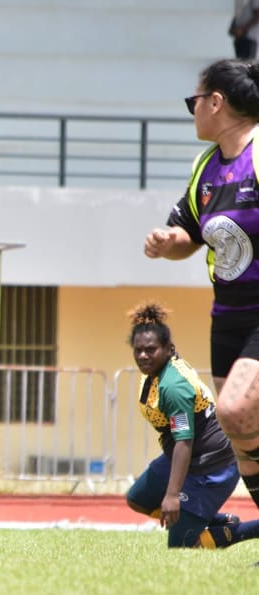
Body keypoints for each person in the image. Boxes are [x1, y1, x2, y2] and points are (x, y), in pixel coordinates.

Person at [143, 58, 259, 518]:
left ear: (216, 102)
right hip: (226, 316)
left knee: (232, 409)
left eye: (194, 100)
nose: (192, 110)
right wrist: (168, 241)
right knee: (243, 438)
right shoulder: (205, 167)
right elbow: (188, 233)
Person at [123, 303, 259, 549]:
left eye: (151, 350)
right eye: (138, 350)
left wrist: (172, 495)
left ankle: (242, 530)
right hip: (183, 454)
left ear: (169, 349)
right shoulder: (153, 372)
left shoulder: (173, 387)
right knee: (138, 498)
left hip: (210, 465)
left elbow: (184, 441)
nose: (143, 356)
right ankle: (213, 519)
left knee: (183, 545)